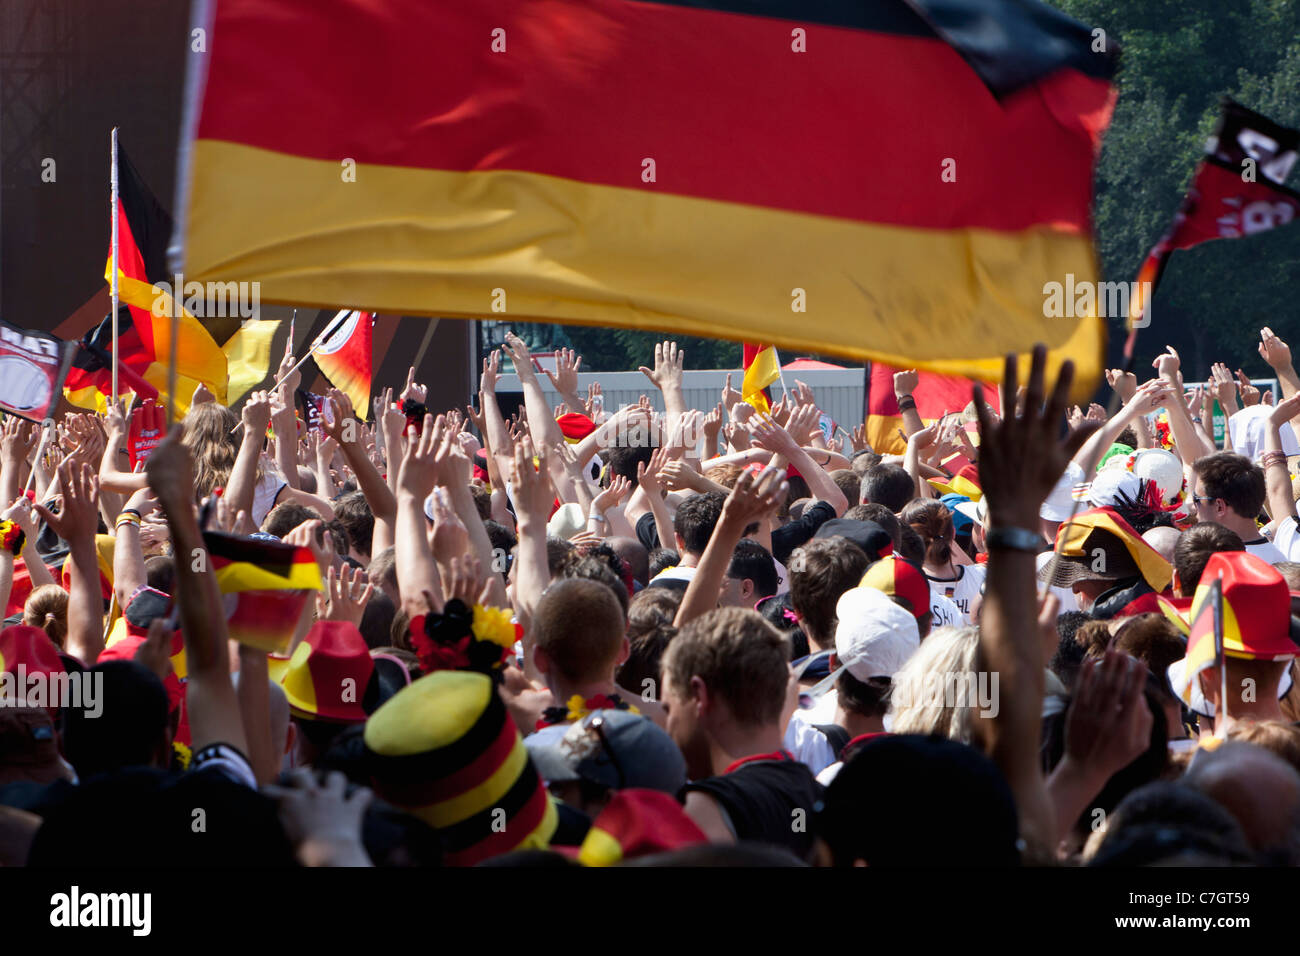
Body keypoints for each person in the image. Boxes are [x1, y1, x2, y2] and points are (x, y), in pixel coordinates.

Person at [662, 607, 824, 859]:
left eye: (668, 707)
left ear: (698, 696)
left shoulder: (704, 812)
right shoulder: (825, 797)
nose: (667, 724)